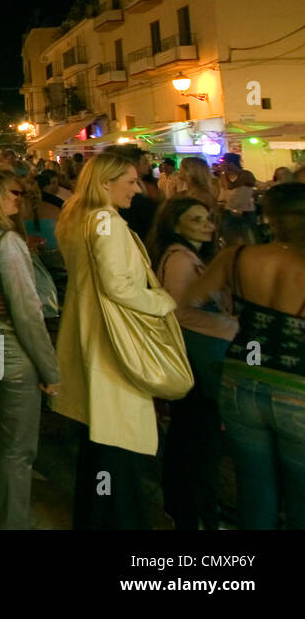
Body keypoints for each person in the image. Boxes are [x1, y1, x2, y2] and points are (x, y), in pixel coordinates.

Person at [53, 151, 181, 529]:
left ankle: (96, 517)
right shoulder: (105, 221)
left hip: (87, 335)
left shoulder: (75, 216)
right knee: (117, 440)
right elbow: (118, 286)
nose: (137, 188)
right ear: (105, 183)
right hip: (112, 342)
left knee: (99, 440)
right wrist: (163, 301)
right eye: (129, 181)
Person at [183, 183, 305, 529]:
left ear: (269, 217)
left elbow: (190, 298)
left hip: (241, 379)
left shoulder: (236, 257)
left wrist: (232, 309)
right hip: (298, 388)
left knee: (254, 489)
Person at [0, 173, 60, 529]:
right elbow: (26, 310)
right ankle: (10, 520)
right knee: (18, 446)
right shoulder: (5, 241)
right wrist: (49, 370)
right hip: (11, 352)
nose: (19, 199)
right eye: (13, 193)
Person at [147, 197, 232, 530]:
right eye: (197, 220)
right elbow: (181, 310)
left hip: (196, 353)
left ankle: (185, 508)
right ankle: (197, 511)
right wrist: (230, 320)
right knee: (198, 435)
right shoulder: (180, 259)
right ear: (175, 224)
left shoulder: (187, 255)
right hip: (196, 355)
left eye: (208, 218)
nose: (208, 225)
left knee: (189, 434)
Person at [216, 153, 258, 246]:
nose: (221, 165)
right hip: (229, 210)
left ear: (231, 163)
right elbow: (223, 193)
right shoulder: (224, 177)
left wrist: (223, 175)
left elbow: (231, 186)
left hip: (246, 211)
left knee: (250, 236)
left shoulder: (246, 174)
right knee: (230, 237)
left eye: (224, 162)